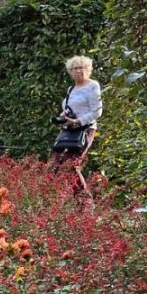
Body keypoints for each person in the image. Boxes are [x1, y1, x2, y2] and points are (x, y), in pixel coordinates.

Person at [52, 55, 102, 199]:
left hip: (85, 130)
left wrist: (77, 121)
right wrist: (64, 115)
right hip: (69, 131)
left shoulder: (92, 86)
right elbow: (70, 108)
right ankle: (67, 198)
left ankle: (85, 202)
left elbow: (97, 112)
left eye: (82, 67)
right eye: (75, 68)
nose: (79, 71)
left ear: (88, 69)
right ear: (70, 71)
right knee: (56, 163)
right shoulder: (71, 88)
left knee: (71, 164)